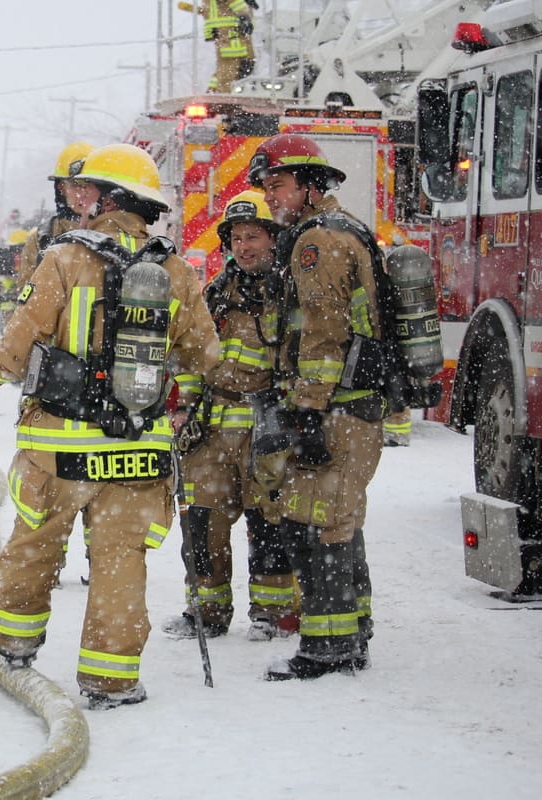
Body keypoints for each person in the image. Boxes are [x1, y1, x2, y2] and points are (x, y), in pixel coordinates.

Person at [0, 143, 220, 708]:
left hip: (59, 447)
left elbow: (15, 348)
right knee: (120, 563)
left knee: (34, 546)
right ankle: (111, 678)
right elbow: (206, 355)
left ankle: (12, 646)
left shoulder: (63, 259)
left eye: (92, 192)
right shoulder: (174, 270)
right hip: (140, 448)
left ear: (106, 198)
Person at [248, 133, 384, 680]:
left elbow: (323, 331)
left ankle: (327, 650)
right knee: (340, 519)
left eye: (277, 184)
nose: (270, 196)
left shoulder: (317, 242)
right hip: (350, 405)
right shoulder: (339, 229)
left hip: (337, 409)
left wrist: (306, 408)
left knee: (320, 523)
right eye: (265, 186)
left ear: (309, 185)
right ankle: (353, 634)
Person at [162, 190, 298, 642]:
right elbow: (196, 358)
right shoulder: (216, 293)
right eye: (237, 238)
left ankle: (274, 614)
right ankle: (206, 611)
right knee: (200, 523)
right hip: (214, 428)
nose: (244, 246)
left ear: (273, 239)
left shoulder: (292, 291)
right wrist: (185, 409)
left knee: (270, 524)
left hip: (269, 427)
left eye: (253, 236)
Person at [17, 141, 97, 293]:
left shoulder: (110, 233)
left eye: (88, 184)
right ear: (61, 187)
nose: (83, 193)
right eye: (75, 185)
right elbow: (27, 304)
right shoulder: (41, 240)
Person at [188, 0, 257, 93]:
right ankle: (224, 93)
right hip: (232, 34)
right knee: (232, 67)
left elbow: (207, 11)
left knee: (227, 66)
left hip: (225, 34)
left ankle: (213, 91)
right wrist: (244, 15)